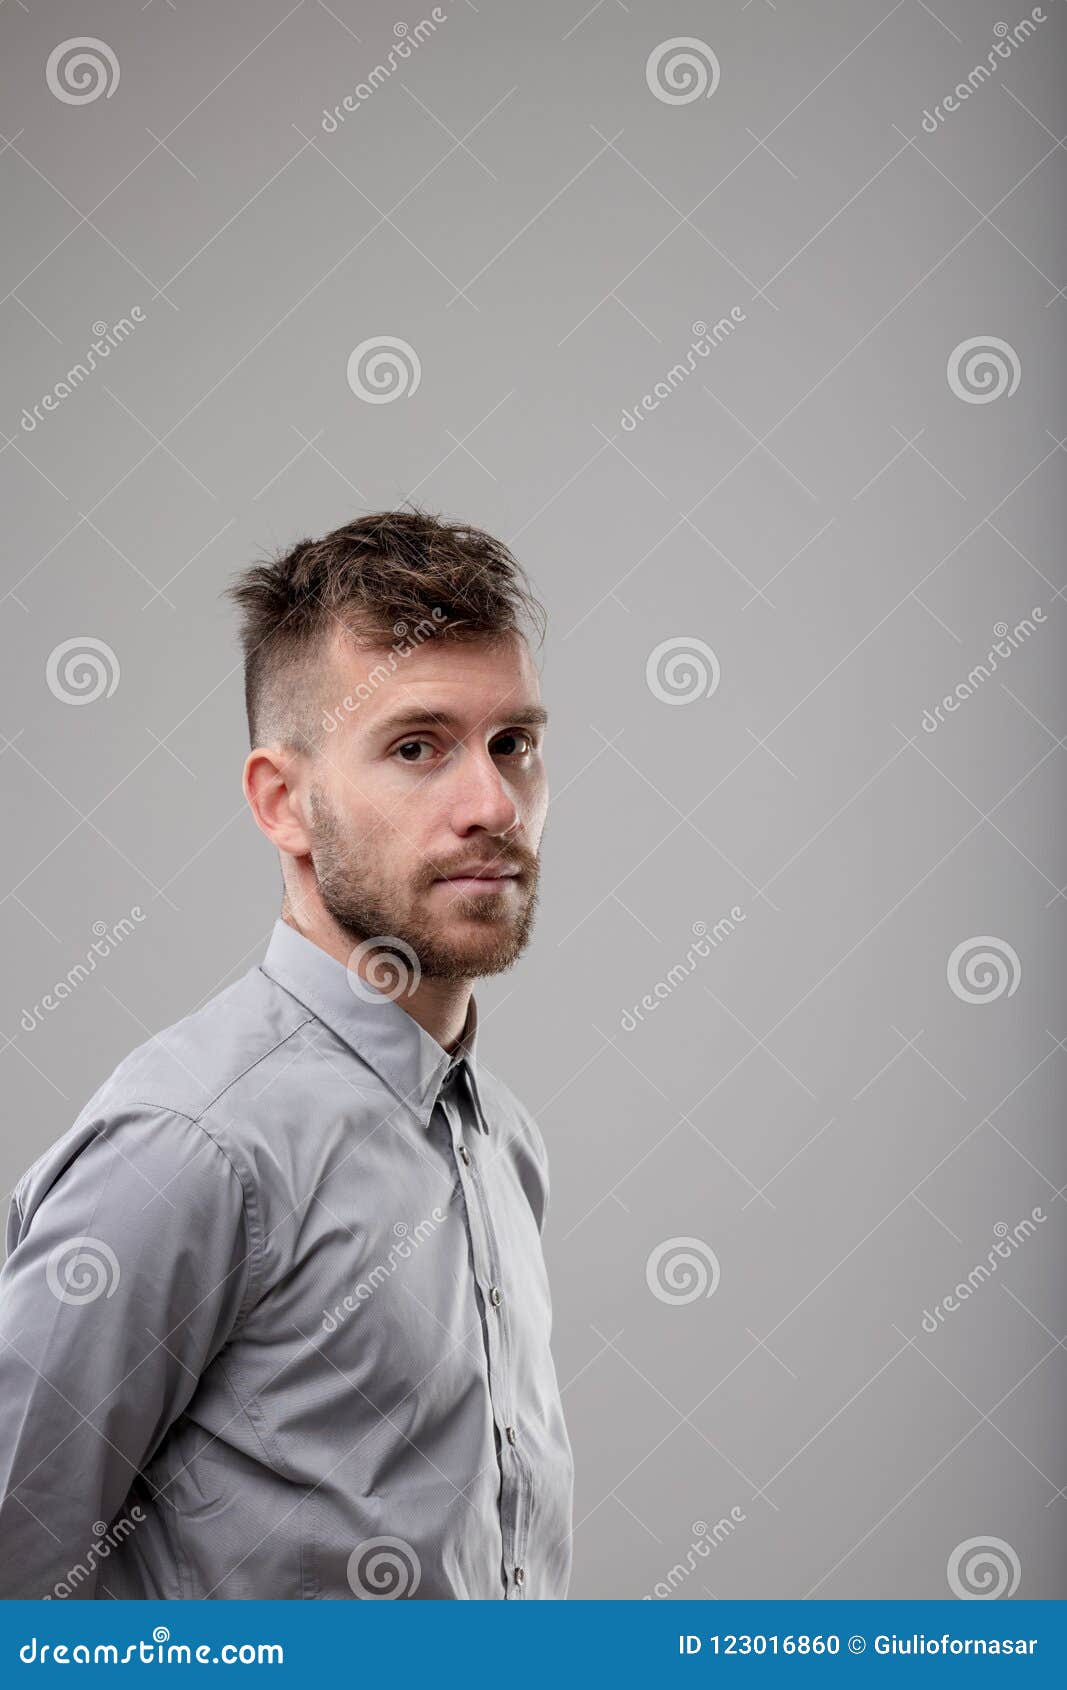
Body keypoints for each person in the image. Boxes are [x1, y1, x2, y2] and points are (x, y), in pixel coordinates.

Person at [0, 509, 574, 1600]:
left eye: (513, 744)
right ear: (284, 802)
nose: (493, 805)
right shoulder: (190, 1145)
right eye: (416, 747)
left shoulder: (502, 1138)